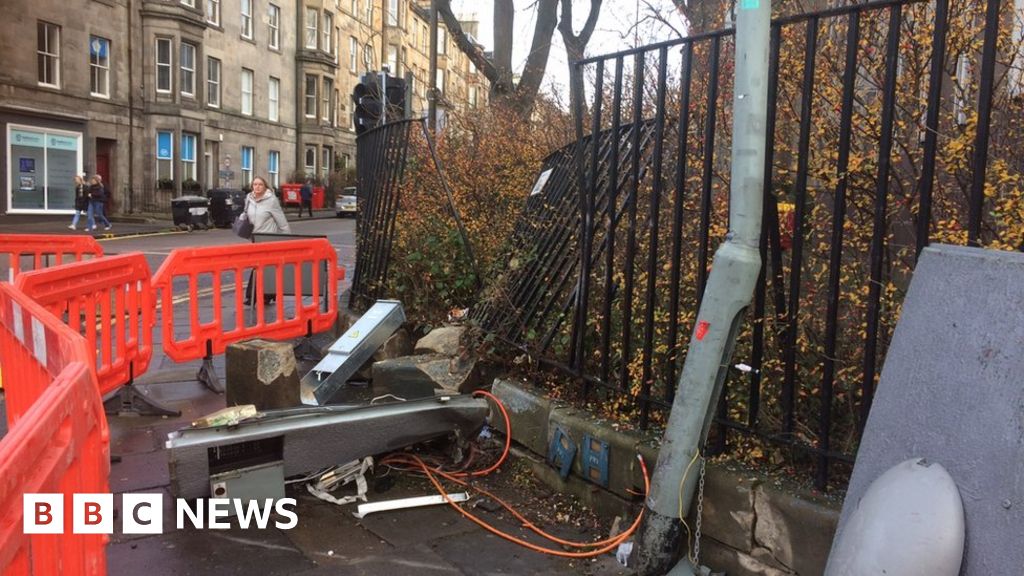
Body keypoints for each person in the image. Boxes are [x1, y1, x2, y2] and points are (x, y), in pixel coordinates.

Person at [243, 176, 290, 305]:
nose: (257, 187)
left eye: (260, 185)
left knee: (261, 267)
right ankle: (265, 296)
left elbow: (282, 222)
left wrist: (288, 241)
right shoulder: (249, 198)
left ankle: (252, 296)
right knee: (260, 266)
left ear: (265, 187)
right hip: (255, 238)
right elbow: (246, 213)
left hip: (269, 238)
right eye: (254, 184)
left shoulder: (272, 201)